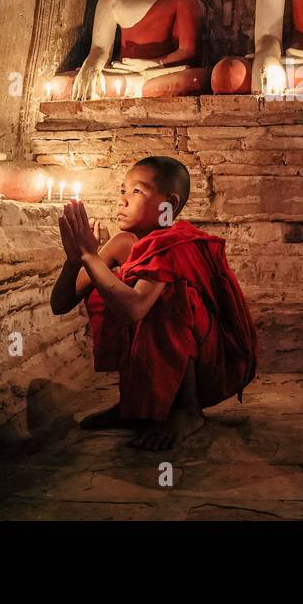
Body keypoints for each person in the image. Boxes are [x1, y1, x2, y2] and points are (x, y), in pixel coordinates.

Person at [51, 156, 257, 450]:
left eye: (137, 191)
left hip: (214, 358)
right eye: (123, 190)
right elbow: (60, 303)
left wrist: (89, 256)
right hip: (169, 352)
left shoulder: (172, 243)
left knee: (169, 296)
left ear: (168, 204)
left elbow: (134, 309)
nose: (122, 200)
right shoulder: (124, 242)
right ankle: (132, 406)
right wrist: (74, 261)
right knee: (107, 282)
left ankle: (187, 409)